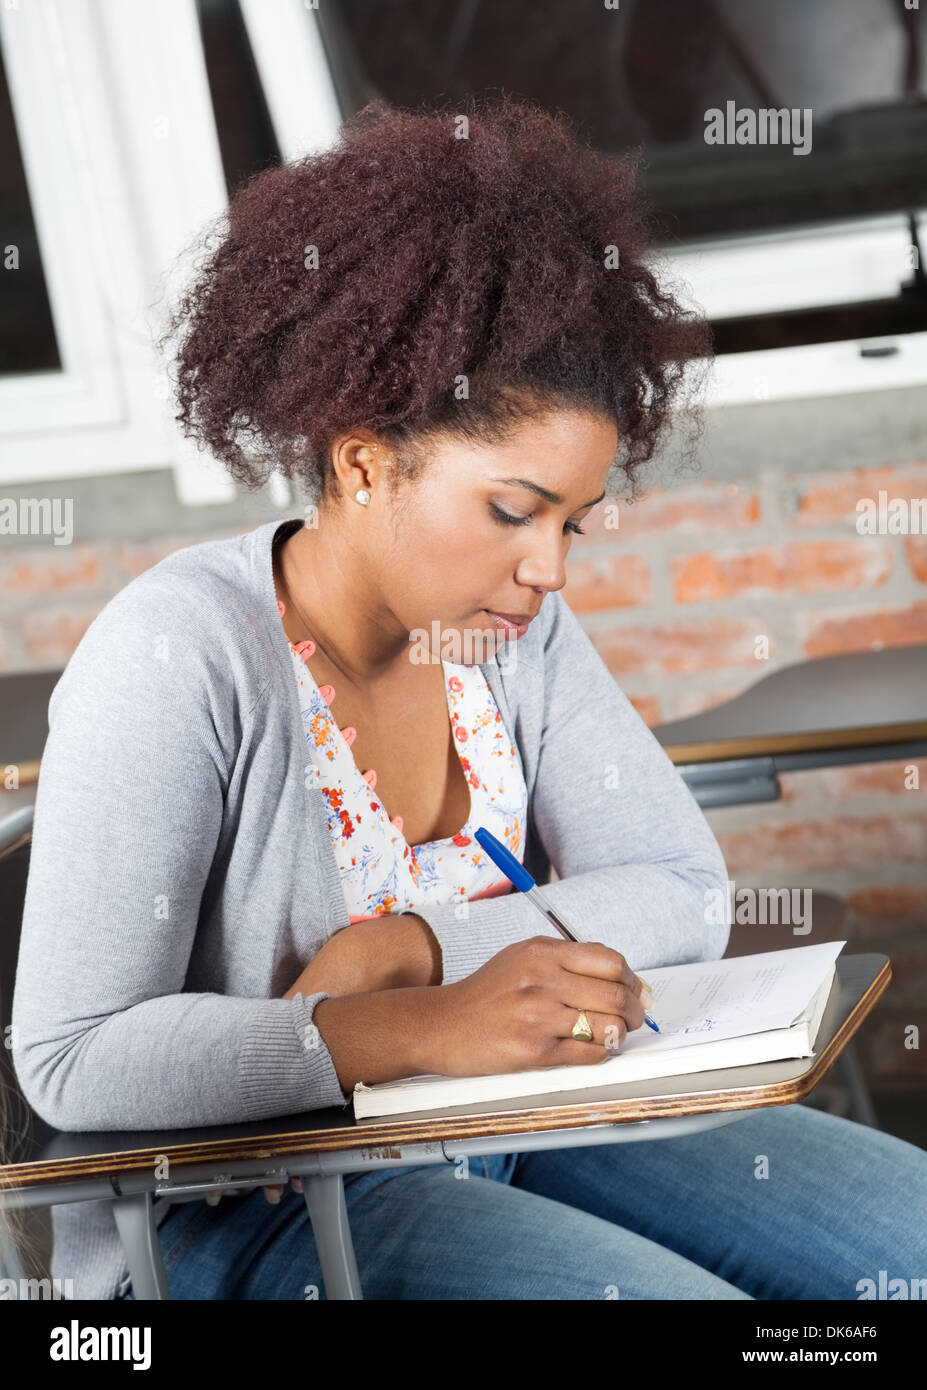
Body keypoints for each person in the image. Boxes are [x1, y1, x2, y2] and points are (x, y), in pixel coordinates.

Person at [11, 94, 927, 1301]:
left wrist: (418, 948)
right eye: (512, 510)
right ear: (363, 458)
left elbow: (683, 887)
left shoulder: (507, 633)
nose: (549, 568)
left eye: (572, 522)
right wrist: (424, 1026)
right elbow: (74, 1061)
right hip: (249, 1203)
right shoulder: (178, 657)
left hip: (518, 1118)